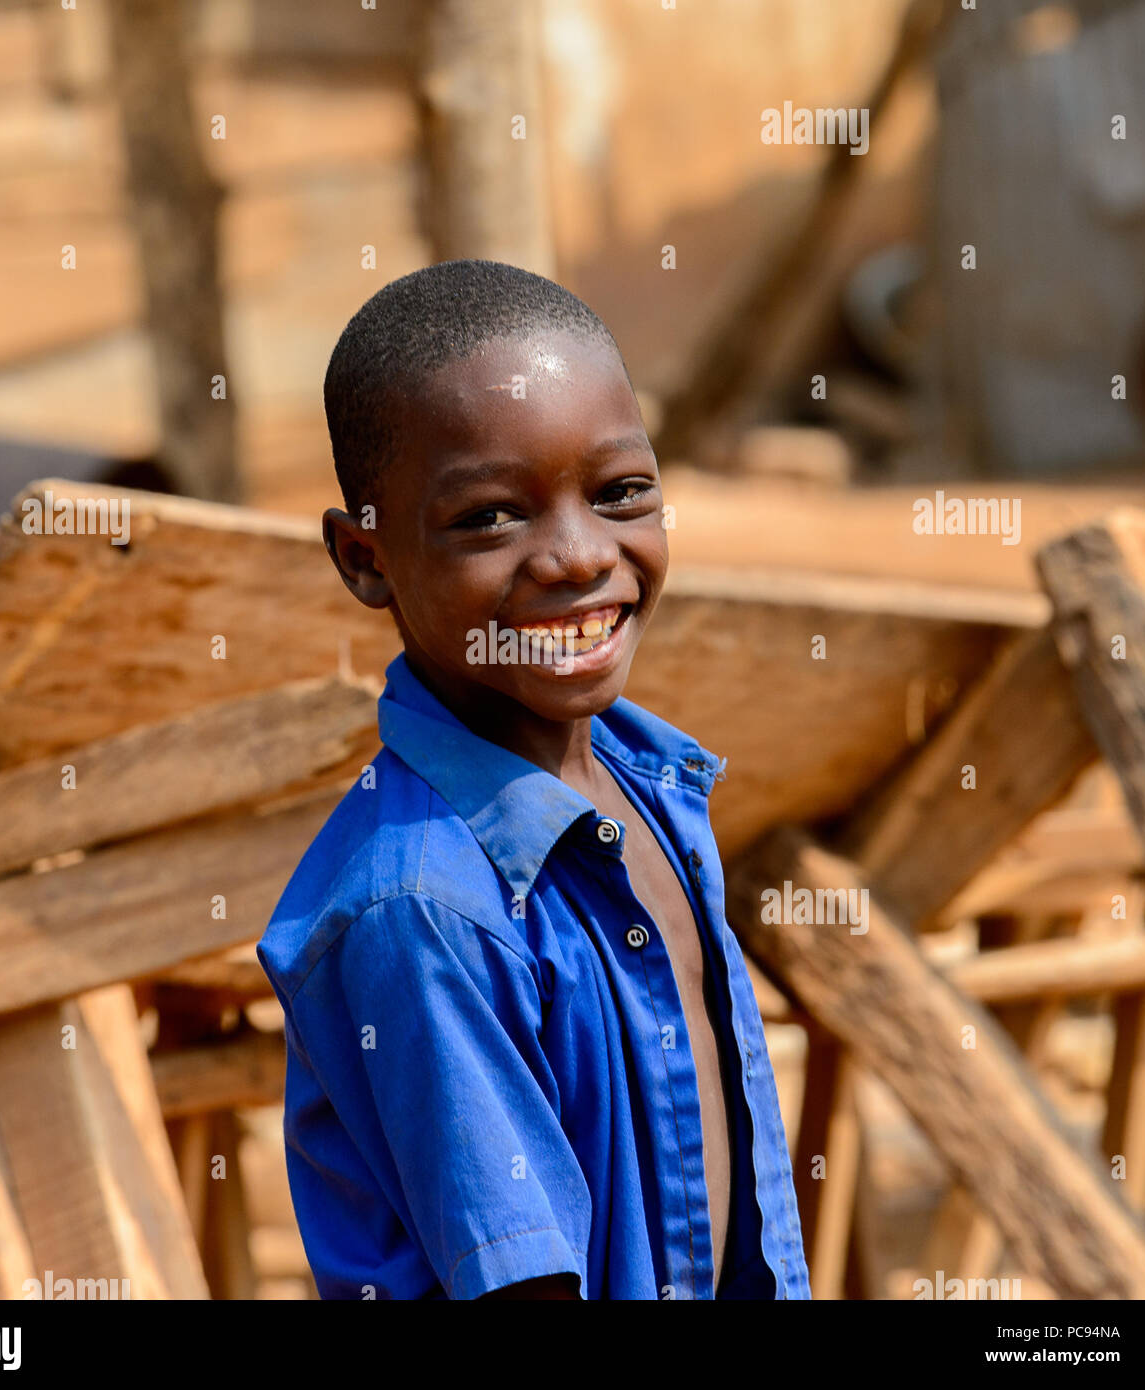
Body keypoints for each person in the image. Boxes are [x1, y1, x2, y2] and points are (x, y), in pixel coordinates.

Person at [257, 259, 810, 1300]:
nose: (575, 556)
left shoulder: (651, 791)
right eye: (489, 518)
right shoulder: (422, 910)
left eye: (620, 494)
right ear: (364, 557)